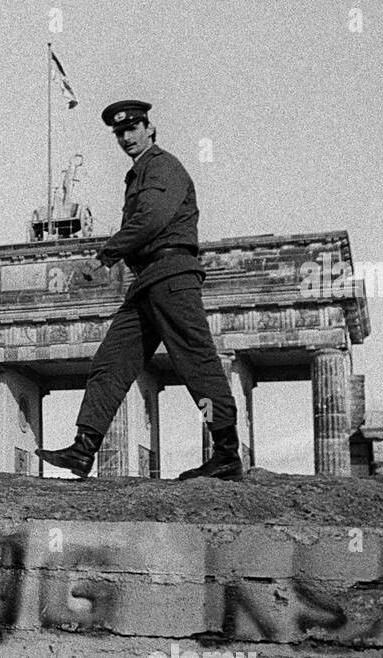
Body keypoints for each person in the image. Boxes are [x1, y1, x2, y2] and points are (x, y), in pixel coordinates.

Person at [36, 99, 243, 482]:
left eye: (132, 129)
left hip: (171, 277)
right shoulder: (138, 173)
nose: (126, 138)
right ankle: (84, 449)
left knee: (196, 364)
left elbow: (151, 219)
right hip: (146, 281)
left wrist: (104, 258)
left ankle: (227, 453)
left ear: (149, 129)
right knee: (111, 362)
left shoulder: (163, 165)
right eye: (119, 133)